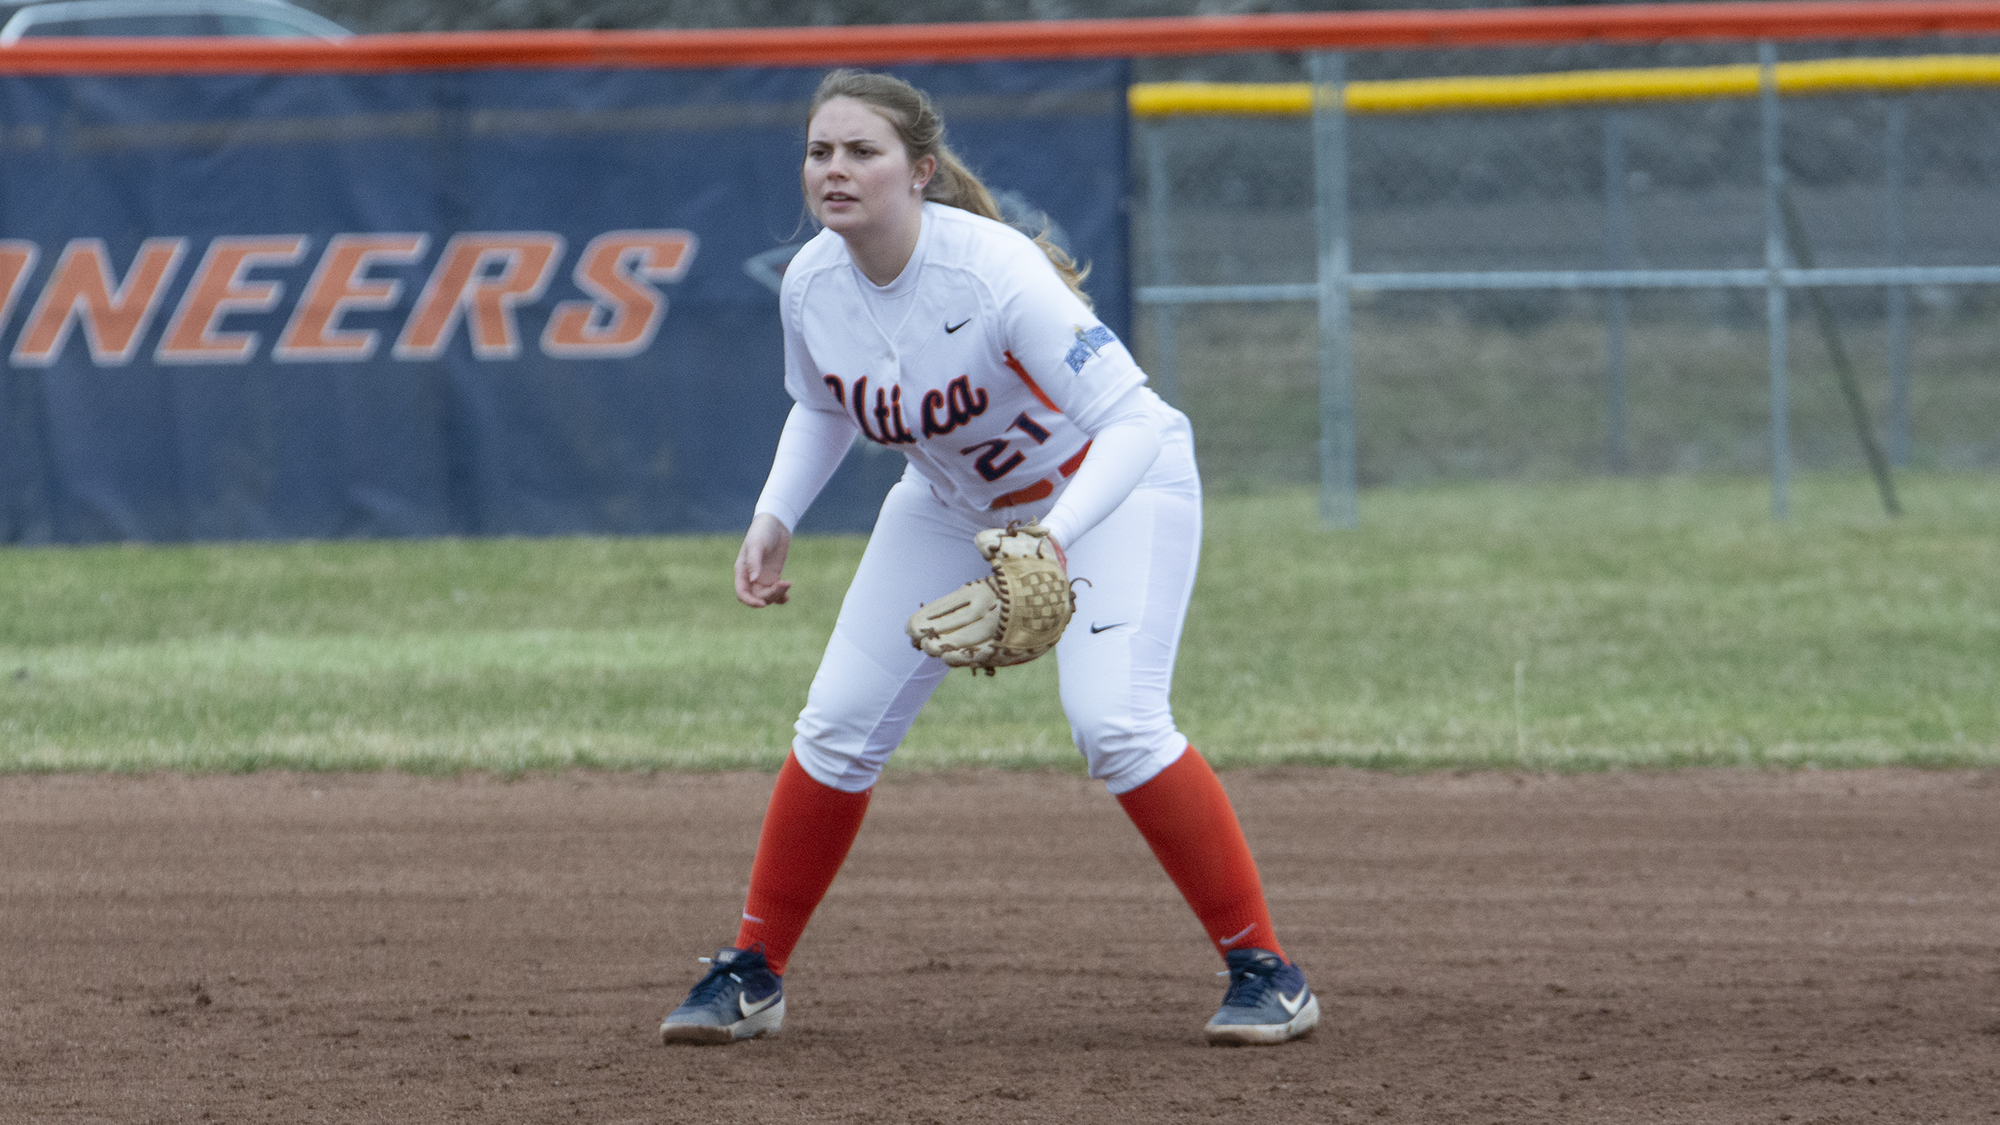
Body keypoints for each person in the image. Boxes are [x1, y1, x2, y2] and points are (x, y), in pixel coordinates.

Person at [658, 69, 1316, 1048]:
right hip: (950, 503)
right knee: (835, 726)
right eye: (818, 151)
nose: (834, 169)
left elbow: (1134, 421)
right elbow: (822, 403)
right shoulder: (812, 282)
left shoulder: (992, 272)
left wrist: (1050, 539)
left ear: (918, 171)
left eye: (861, 151)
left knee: (1115, 725)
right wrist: (774, 513)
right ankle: (752, 971)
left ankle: (1267, 971)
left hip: (1113, 489)